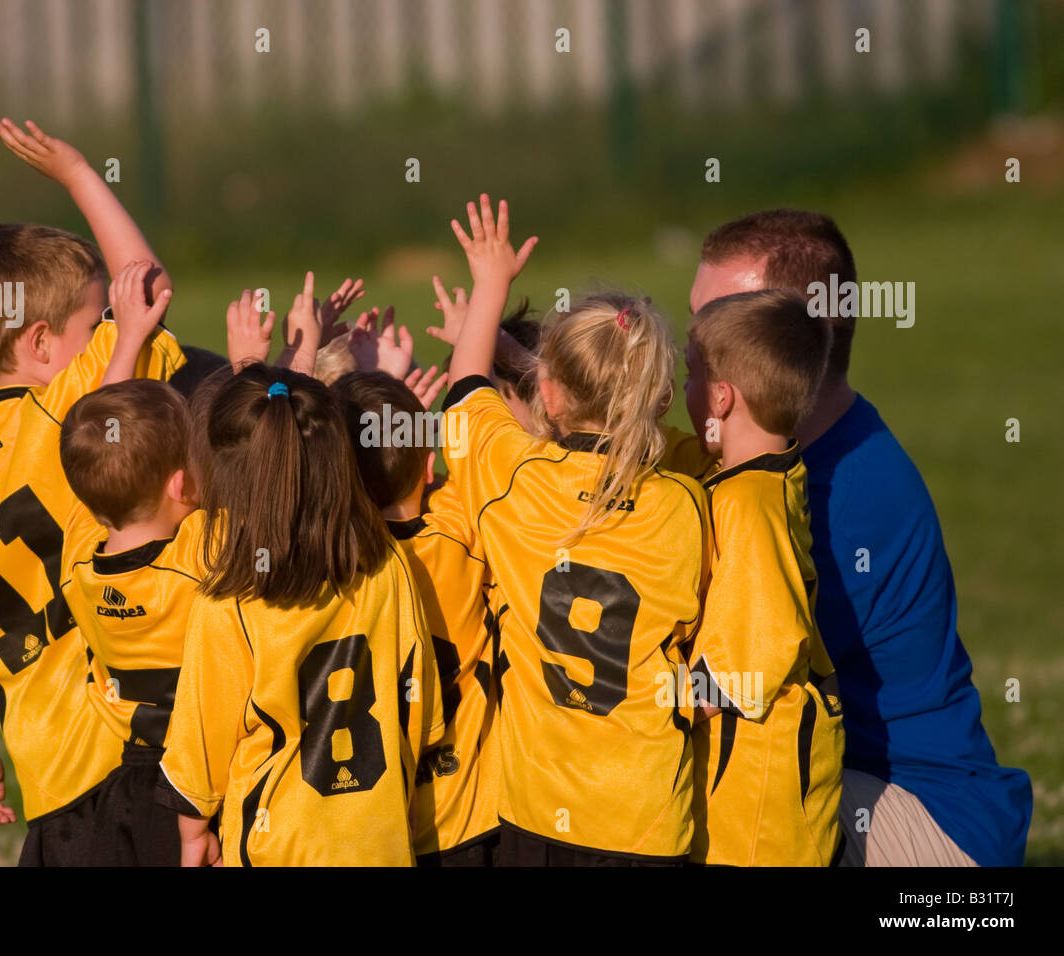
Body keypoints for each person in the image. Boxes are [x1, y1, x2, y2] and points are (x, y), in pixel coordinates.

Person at [689, 209, 1031, 866]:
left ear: (790, 341)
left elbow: (728, 679)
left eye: (716, 324)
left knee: (687, 778)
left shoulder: (841, 493)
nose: (689, 346)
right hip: (864, 785)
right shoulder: (778, 463)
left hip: (926, 826)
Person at [0, 118, 184, 865]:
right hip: (128, 758)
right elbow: (149, 288)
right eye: (96, 319)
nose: (112, 324)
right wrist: (78, 175)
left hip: (48, 789)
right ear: (41, 345)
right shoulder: (68, 404)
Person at [438, 194, 710, 865]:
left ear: (546, 391)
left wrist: (490, 287)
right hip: (647, 818)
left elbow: (464, 387)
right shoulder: (683, 503)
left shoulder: (514, 480)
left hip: (537, 812)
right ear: (657, 395)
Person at [157, 321, 443, 866]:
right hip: (380, 844)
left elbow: (200, 746)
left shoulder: (230, 602)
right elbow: (419, 708)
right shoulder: (387, 569)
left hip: (276, 849)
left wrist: (193, 833)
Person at [683, 289, 844, 866]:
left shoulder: (750, 506)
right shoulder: (751, 471)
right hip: (748, 784)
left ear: (721, 398)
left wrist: (644, 707)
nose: (680, 390)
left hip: (760, 805)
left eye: (688, 373)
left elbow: (741, 670)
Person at [333, 370, 502, 866]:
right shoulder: (462, 523)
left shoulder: (334, 565)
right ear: (430, 467)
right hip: (474, 817)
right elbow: (473, 450)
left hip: (372, 821)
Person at [59, 379, 203, 866]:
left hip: (131, 780)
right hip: (201, 784)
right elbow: (264, 471)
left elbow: (92, 457)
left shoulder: (77, 563)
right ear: (182, 485)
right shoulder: (201, 553)